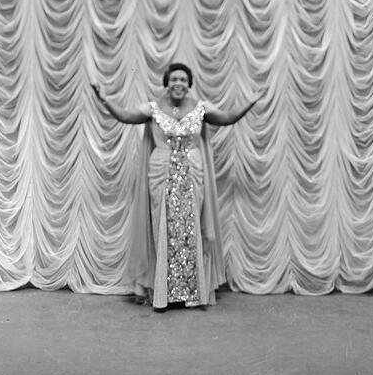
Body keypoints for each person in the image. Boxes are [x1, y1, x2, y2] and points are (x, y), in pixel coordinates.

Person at [91, 64, 264, 310]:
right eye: (174, 79)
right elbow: (126, 117)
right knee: (161, 226)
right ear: (167, 82)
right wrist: (105, 100)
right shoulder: (153, 108)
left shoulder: (201, 108)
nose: (179, 83)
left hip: (192, 173)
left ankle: (192, 293)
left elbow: (227, 119)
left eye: (183, 79)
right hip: (161, 173)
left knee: (191, 227)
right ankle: (163, 293)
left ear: (189, 83)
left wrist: (250, 102)